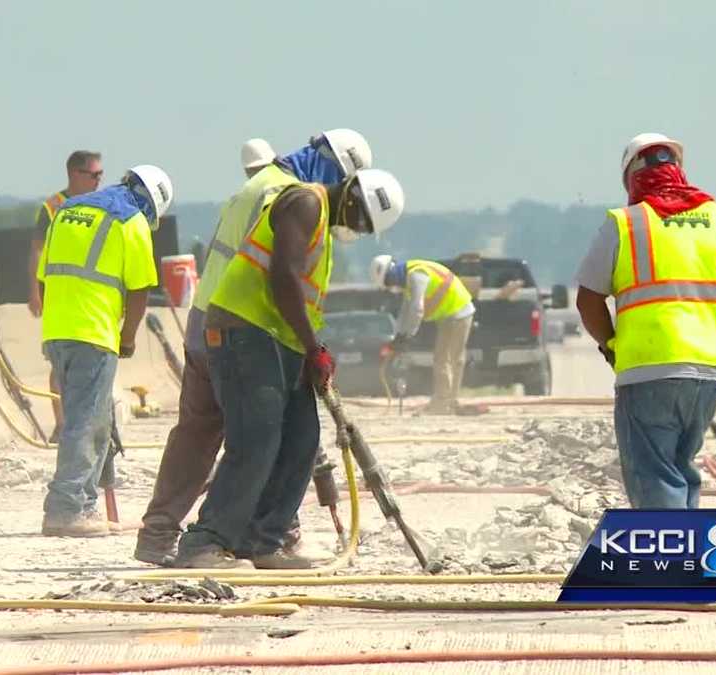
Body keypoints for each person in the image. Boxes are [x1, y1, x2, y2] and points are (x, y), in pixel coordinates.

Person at [134, 130, 372, 565]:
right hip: (250, 325)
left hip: (211, 316)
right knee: (263, 433)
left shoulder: (259, 185)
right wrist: (307, 347)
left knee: (203, 432)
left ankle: (159, 533)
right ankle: (261, 535)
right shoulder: (293, 196)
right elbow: (283, 274)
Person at [170, 167, 405, 570]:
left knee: (302, 438)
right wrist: (312, 348)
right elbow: (283, 278)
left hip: (278, 338)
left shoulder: (323, 230)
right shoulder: (305, 202)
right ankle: (204, 542)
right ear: (350, 195)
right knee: (256, 439)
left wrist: (311, 349)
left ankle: (261, 540)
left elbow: (301, 297)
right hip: (244, 331)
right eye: (361, 219)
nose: (358, 228)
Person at [575, 132, 716, 509]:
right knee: (681, 469)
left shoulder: (625, 223)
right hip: (712, 371)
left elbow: (588, 300)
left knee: (655, 476)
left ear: (631, 177)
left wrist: (611, 347)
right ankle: (685, 559)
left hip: (648, 371)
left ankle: (666, 565)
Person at [36, 164, 172, 537]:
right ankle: (65, 509)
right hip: (93, 330)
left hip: (58, 328)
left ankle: (85, 505)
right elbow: (140, 288)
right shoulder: (131, 221)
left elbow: (45, 275)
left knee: (87, 420)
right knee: (86, 422)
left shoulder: (67, 211)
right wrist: (127, 338)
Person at [27, 150, 103, 442]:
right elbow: (36, 248)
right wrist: (34, 290)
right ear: (75, 174)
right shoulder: (53, 207)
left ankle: (83, 424)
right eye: (94, 175)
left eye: (100, 175)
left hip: (89, 295)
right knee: (58, 362)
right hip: (57, 293)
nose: (99, 181)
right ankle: (61, 425)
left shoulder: (100, 205)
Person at [371, 256, 475, 413]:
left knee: (452, 358)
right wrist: (398, 337)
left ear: (391, 273)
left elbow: (417, 309)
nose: (392, 287)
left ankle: (448, 403)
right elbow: (405, 312)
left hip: (459, 310)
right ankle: (443, 401)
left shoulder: (417, 274)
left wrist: (408, 336)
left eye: (389, 282)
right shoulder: (408, 281)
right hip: (447, 314)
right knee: (441, 359)